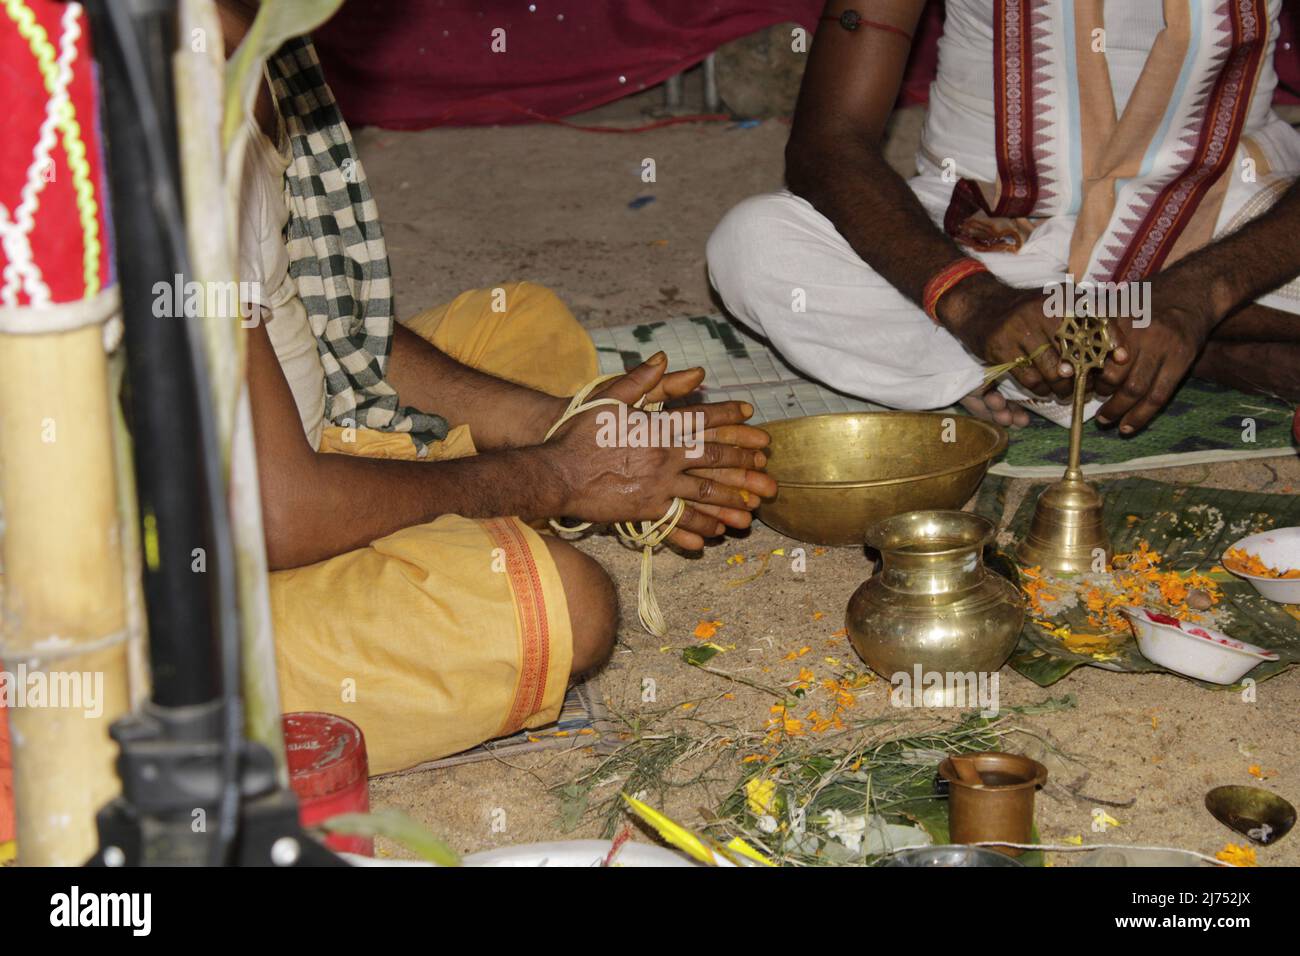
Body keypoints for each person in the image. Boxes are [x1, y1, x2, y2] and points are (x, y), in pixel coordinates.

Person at [218, 2, 775, 774]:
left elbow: (330, 317)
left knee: (522, 321)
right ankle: (480, 518)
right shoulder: (153, 121)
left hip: (277, 431)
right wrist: (559, 474)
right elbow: (277, 514)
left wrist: (558, 422)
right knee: (564, 610)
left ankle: (469, 502)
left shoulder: (247, 36)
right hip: (171, 583)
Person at [708, 0, 1300, 432]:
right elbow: (828, 140)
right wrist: (972, 301)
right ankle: (1172, 352)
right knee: (753, 247)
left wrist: (1202, 290)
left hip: (1223, 226)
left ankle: (1040, 361)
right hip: (989, 242)